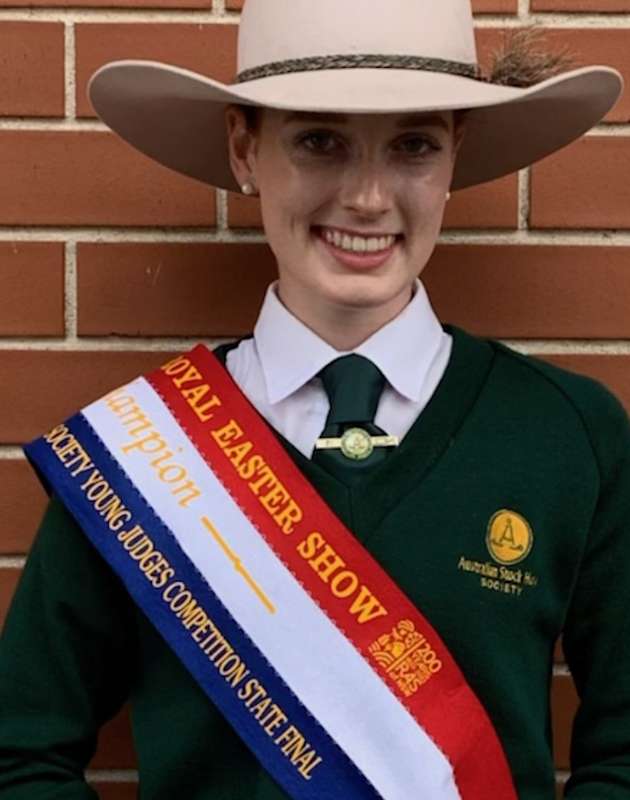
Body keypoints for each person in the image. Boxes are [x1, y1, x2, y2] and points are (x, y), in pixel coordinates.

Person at [0, 0, 629, 798]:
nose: (368, 197)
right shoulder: (142, 458)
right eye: (319, 141)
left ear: (453, 159)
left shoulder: (568, 436)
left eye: (413, 145)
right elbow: (20, 754)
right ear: (245, 149)